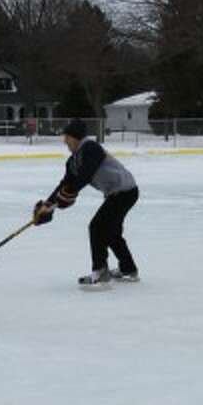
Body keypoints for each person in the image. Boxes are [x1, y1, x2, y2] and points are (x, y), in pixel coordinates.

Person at [33, 119, 140, 288]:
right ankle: (128, 269)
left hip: (125, 192)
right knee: (111, 233)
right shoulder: (73, 161)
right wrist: (48, 204)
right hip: (118, 193)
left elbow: (86, 175)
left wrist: (67, 194)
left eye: (66, 137)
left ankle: (100, 271)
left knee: (97, 227)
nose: (64, 141)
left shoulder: (91, 148)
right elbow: (66, 183)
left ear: (75, 137)